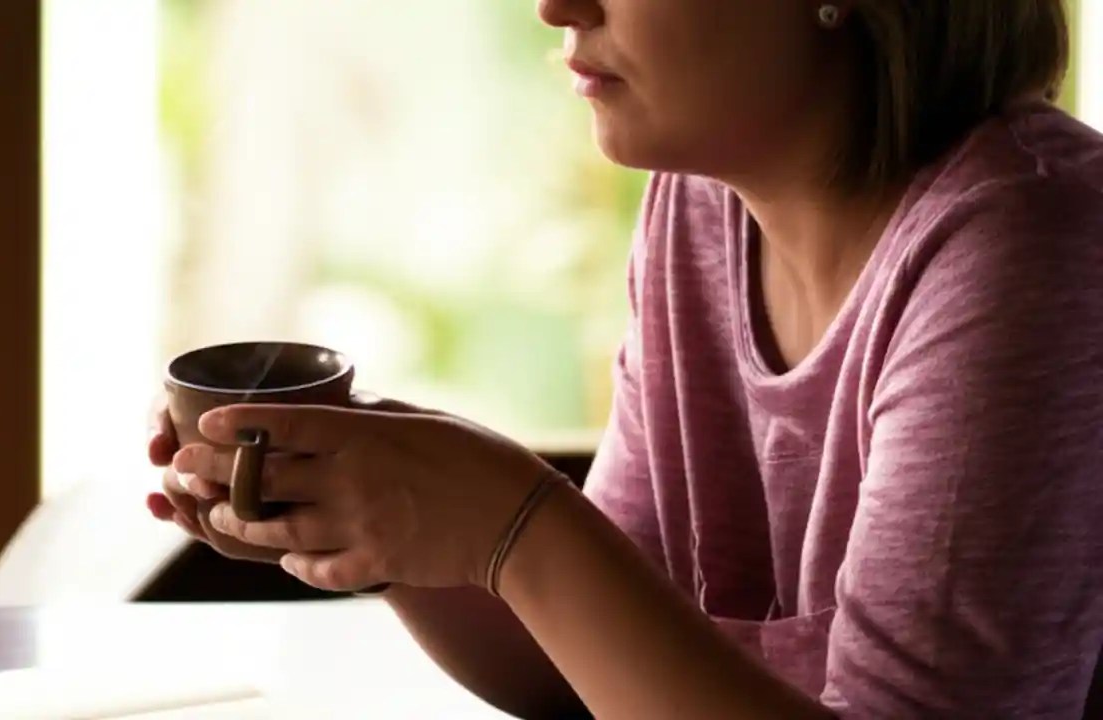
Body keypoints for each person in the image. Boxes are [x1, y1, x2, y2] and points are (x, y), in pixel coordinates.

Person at [145, 0, 1103, 716]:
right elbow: (597, 672)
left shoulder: (1028, 241)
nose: (557, 6)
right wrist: (379, 525)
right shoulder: (704, 209)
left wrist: (513, 526)